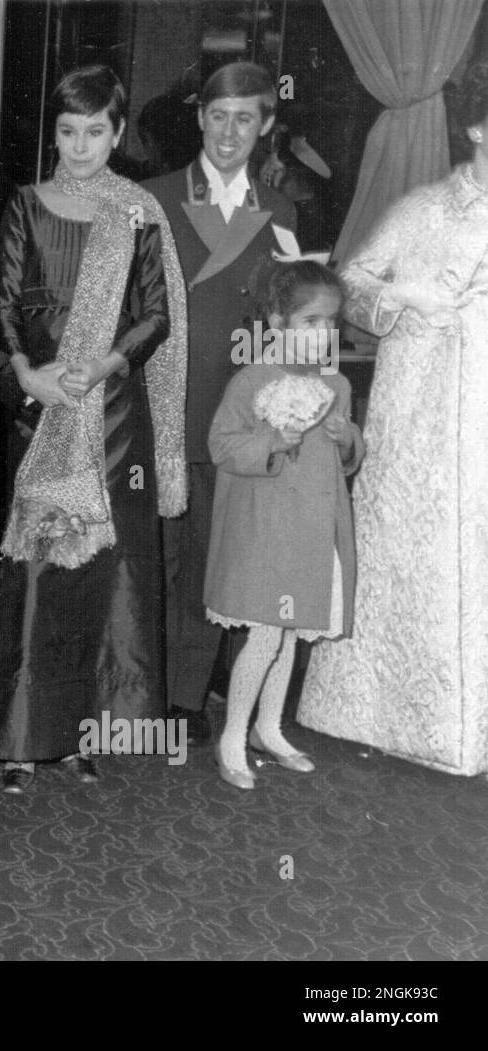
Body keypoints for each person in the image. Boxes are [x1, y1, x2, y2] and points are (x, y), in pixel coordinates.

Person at [0, 66, 187, 793]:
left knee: (99, 571)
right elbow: (5, 304)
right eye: (67, 131)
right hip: (42, 408)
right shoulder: (27, 204)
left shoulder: (136, 211)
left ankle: (79, 733)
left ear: (118, 133)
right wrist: (29, 374)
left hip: (112, 413)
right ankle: (18, 735)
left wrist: (105, 364)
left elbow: (155, 314)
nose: (80, 146)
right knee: (39, 567)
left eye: (95, 132)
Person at [297, 61, 488, 777]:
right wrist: (405, 294)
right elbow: (350, 285)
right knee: (412, 551)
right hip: (420, 417)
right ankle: (377, 711)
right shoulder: (423, 209)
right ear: (473, 127)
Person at [142, 62, 296, 745]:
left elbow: (287, 316)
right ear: (199, 117)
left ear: (264, 125)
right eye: (218, 116)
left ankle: (183, 692)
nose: (230, 132)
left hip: (235, 406)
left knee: (210, 548)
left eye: (246, 118)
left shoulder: (284, 212)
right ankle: (136, 682)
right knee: (154, 552)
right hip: (163, 399)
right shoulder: (152, 199)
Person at [207, 260, 362, 788]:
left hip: (314, 531)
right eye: (309, 323)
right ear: (277, 321)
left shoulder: (336, 384)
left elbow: (344, 462)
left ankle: (268, 728)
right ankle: (232, 735)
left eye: (330, 324)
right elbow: (222, 445)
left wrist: (347, 440)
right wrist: (274, 441)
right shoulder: (253, 379)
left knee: (291, 636)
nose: (323, 335)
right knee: (266, 634)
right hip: (267, 530)